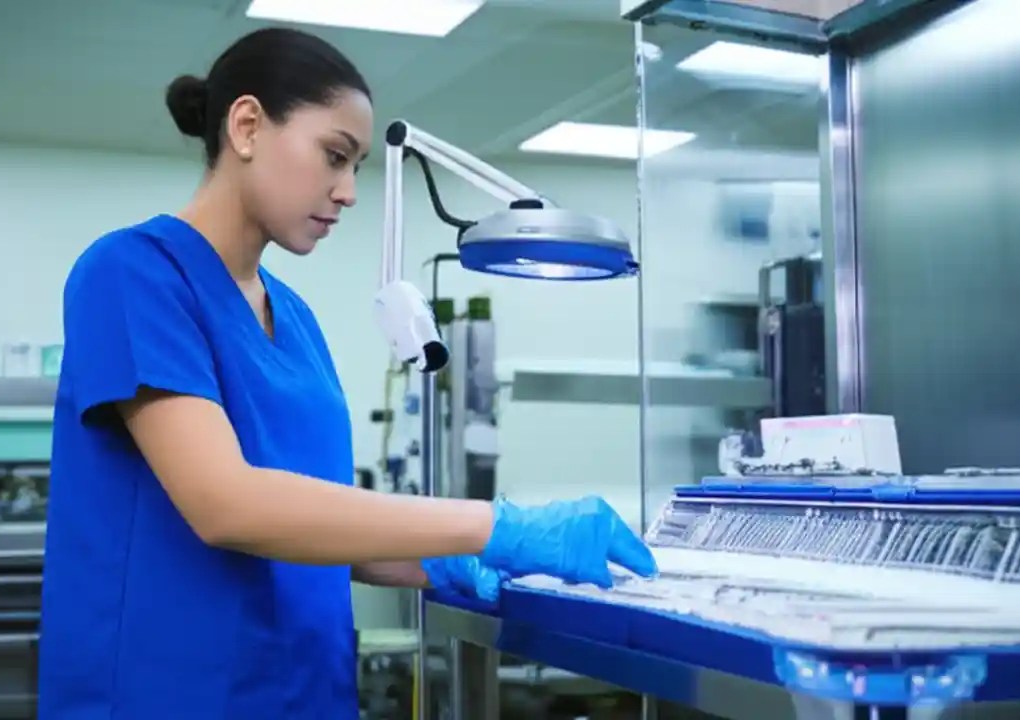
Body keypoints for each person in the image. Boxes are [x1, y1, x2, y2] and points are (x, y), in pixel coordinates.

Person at [37, 26, 656, 720]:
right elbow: (227, 505)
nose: (348, 191)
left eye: (357, 165)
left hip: (305, 693)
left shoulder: (295, 319)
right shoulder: (133, 275)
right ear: (246, 126)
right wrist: (494, 525)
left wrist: (440, 562)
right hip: (169, 696)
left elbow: (313, 524)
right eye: (334, 156)